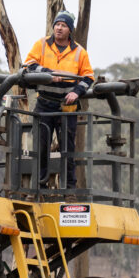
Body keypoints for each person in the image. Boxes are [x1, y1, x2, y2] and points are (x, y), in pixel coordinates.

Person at [23, 11, 94, 191]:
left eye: (63, 25)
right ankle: (41, 186)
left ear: (70, 30)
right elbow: (28, 65)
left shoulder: (79, 52)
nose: (59, 28)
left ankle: (69, 188)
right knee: (41, 146)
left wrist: (77, 92)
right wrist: (47, 74)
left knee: (67, 149)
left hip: (67, 107)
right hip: (44, 103)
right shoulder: (41, 45)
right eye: (57, 25)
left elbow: (88, 77)